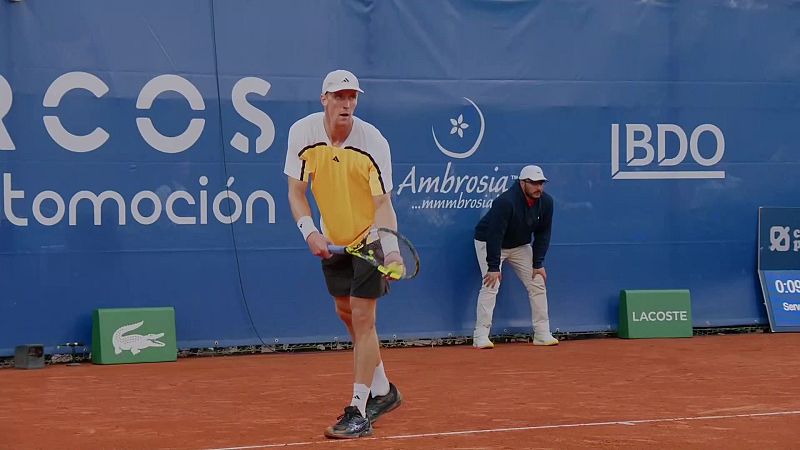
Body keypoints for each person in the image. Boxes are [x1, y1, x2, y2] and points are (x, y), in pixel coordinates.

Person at [284, 69, 403, 439]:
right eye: (339, 96)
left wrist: (391, 250)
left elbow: (383, 204)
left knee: (364, 318)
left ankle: (359, 410)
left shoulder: (373, 142)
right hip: (333, 237)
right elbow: (297, 192)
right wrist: (310, 232)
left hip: (369, 238)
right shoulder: (302, 134)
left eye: (352, 97)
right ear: (324, 100)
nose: (346, 103)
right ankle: (384, 390)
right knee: (346, 313)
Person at [472, 164, 559, 349]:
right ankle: (480, 335)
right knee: (491, 283)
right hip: (489, 242)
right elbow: (494, 235)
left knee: (537, 281)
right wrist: (494, 267)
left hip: (519, 245)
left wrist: (538, 263)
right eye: (534, 183)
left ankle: (542, 333)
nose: (538, 188)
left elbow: (543, 234)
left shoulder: (547, 202)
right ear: (522, 183)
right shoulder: (505, 202)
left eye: (541, 183)